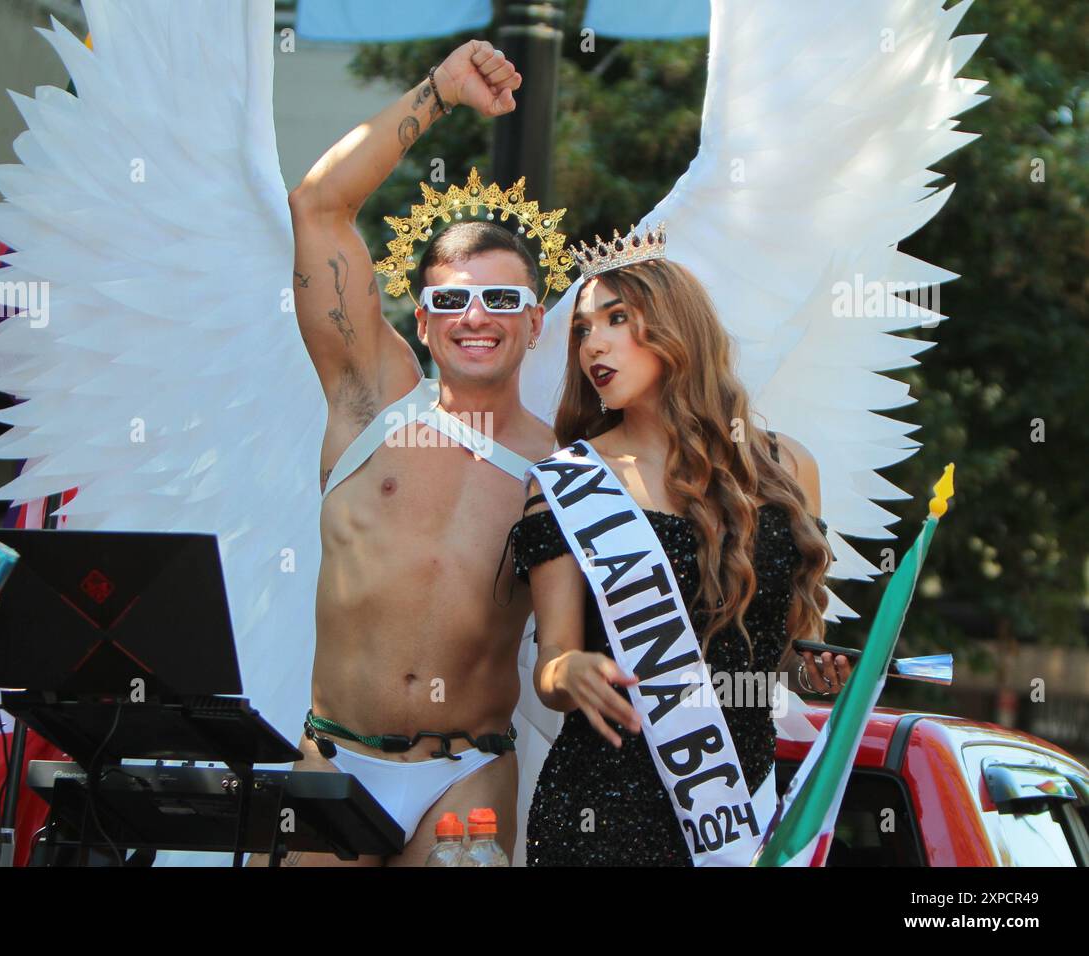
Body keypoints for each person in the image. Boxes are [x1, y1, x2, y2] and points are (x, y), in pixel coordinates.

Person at [252, 39, 558, 866]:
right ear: (420, 321)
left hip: (466, 781)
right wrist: (440, 91)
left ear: (535, 322)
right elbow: (317, 205)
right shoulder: (371, 399)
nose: (475, 317)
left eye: (502, 298)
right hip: (331, 765)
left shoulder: (569, 472)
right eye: (450, 300)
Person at [508, 231, 852, 865]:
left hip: (737, 810)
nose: (593, 345)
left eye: (616, 320)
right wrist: (570, 672)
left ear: (677, 327)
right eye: (582, 329)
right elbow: (552, 661)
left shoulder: (787, 468)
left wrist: (817, 673)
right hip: (602, 814)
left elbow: (782, 657)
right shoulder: (567, 482)